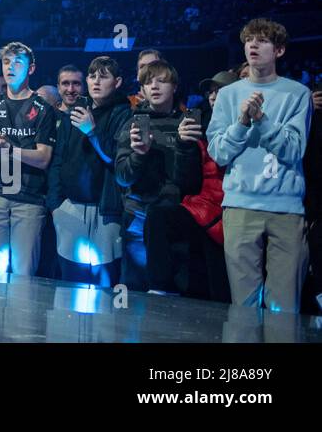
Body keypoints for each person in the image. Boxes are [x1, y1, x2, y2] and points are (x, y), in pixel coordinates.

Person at [207, 18, 312, 313]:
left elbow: (294, 149)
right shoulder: (228, 95)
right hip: (240, 206)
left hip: (286, 209)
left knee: (284, 305)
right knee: (243, 305)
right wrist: (242, 122)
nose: (253, 44)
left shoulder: (297, 94)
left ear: (278, 51)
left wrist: (262, 120)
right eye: (249, 39)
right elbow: (219, 153)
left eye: (262, 40)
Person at [144, 68, 234, 301]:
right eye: (211, 91)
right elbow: (187, 182)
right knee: (158, 216)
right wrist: (184, 146)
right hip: (202, 208)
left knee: (218, 292)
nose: (214, 96)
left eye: (220, 91)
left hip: (234, 210)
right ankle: (158, 290)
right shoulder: (197, 122)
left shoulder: (249, 125)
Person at [115, 59, 202, 290]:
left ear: (174, 86)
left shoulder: (187, 125)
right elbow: (122, 177)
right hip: (138, 216)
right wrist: (139, 155)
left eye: (161, 81)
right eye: (148, 82)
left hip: (175, 218)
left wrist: (185, 146)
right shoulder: (131, 124)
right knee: (134, 292)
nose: (154, 87)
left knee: (170, 292)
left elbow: (191, 183)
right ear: (142, 89)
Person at [0, 42, 56, 275]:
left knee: (23, 273)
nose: (10, 67)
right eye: (6, 62)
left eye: (18, 62)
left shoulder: (43, 109)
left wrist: (9, 149)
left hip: (29, 198)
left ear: (31, 69)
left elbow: (43, 158)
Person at [46, 56, 131, 285]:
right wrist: (55, 205)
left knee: (105, 284)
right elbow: (57, 160)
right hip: (70, 209)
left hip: (107, 211)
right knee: (71, 284)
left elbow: (117, 159)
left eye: (103, 77)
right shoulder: (75, 111)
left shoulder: (124, 114)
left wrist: (92, 133)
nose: (95, 82)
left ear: (118, 82)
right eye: (92, 76)